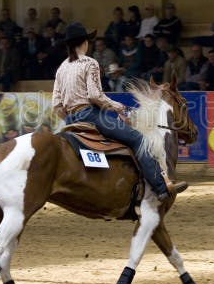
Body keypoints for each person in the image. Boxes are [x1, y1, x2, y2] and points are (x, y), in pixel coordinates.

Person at [52, 22, 185, 203]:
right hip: (90, 115)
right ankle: (161, 187)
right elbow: (95, 95)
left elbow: (56, 106)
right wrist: (120, 107)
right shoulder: (90, 63)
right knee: (139, 139)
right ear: (84, 42)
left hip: (71, 120)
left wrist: (71, 117)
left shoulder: (62, 68)